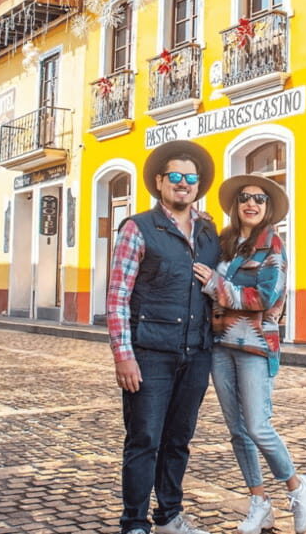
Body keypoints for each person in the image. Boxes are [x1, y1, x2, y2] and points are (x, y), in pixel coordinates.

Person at [192, 173, 306, 534]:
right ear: (236, 204)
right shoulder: (226, 243)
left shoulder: (273, 245)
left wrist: (219, 287)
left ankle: (297, 485)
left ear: (268, 209)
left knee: (259, 427)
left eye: (259, 199)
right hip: (220, 345)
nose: (251, 203)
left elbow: (266, 297)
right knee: (237, 431)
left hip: (255, 346)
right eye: (245, 197)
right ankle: (259, 502)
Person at [107, 140, 220, 534]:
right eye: (175, 176)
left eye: (191, 178)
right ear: (159, 182)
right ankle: (134, 523)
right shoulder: (137, 228)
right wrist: (124, 355)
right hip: (150, 353)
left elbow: (223, 281)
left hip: (196, 352)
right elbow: (118, 295)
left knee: (179, 440)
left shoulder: (208, 232)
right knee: (144, 439)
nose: (184, 183)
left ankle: (170, 515)